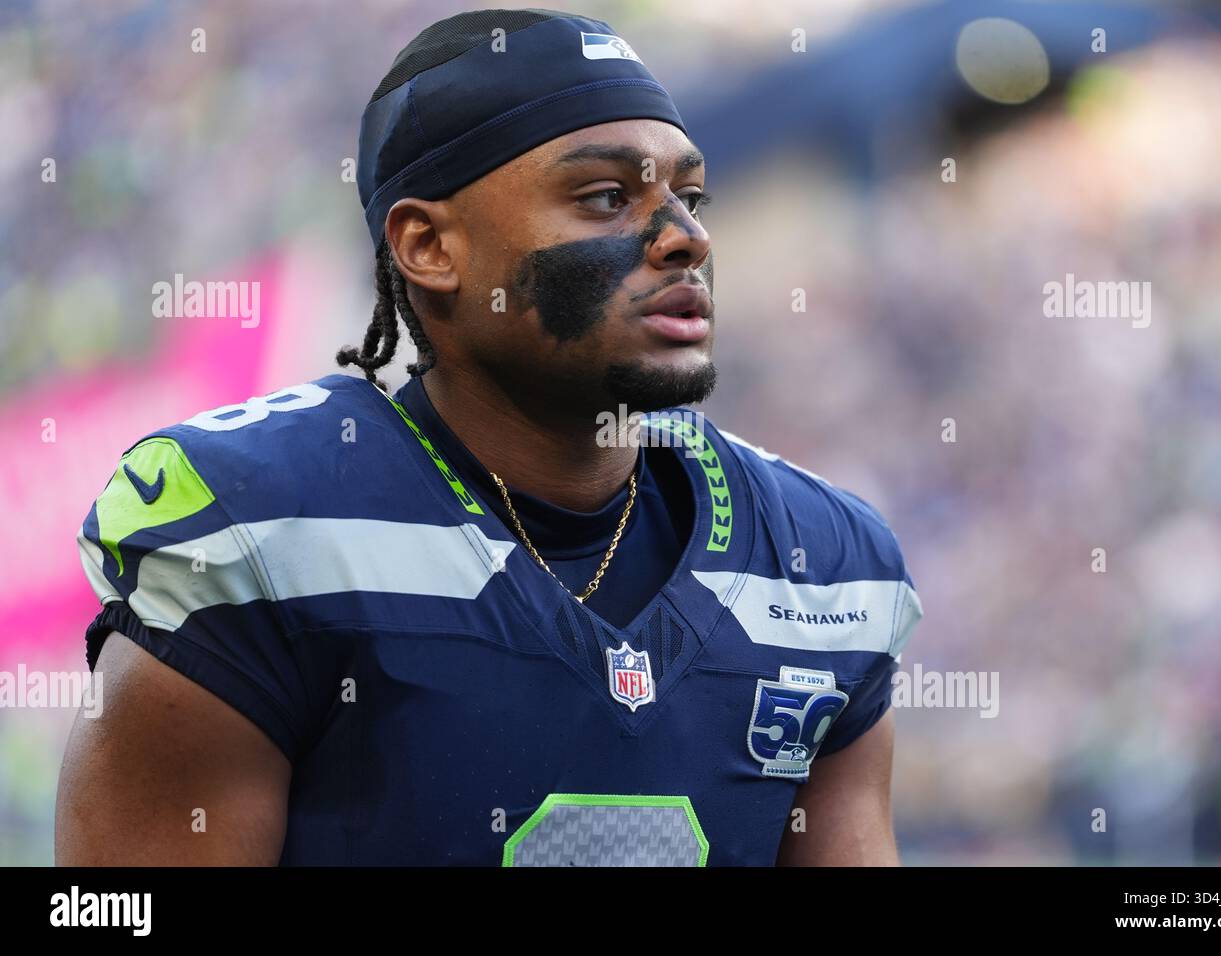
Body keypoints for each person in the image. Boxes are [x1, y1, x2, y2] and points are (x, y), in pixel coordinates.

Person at [56, 7, 921, 866]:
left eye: (689, 198)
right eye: (608, 197)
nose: (684, 239)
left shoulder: (824, 564)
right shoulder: (265, 523)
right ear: (430, 247)